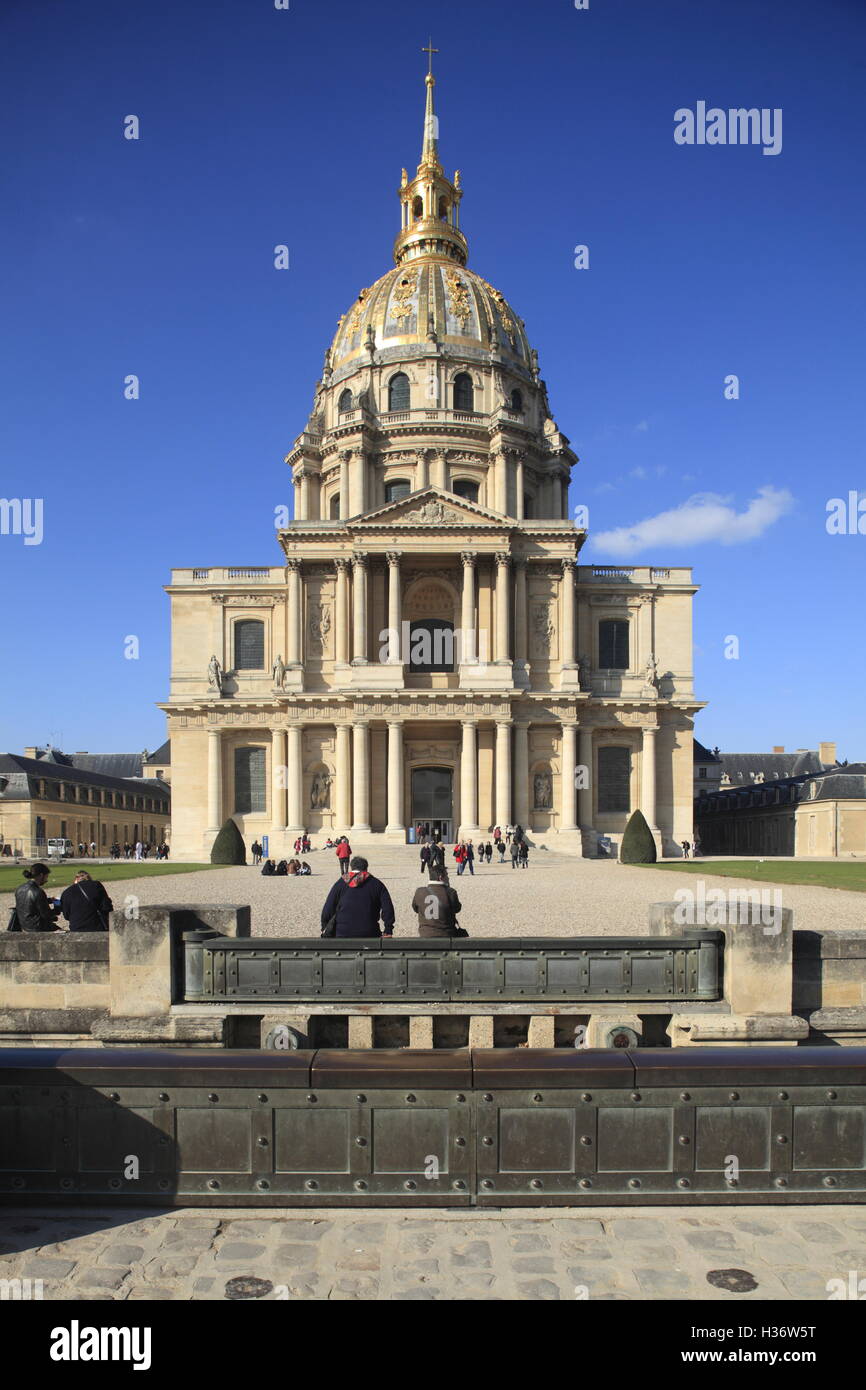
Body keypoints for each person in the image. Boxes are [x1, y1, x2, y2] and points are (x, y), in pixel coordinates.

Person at [320, 856, 395, 939]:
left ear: (351, 867)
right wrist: (388, 929)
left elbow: (328, 908)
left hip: (343, 932)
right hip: (370, 932)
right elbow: (388, 908)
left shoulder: (340, 884)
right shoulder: (376, 884)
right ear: (366, 868)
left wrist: (324, 927)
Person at [411, 865, 464, 938]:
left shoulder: (419, 892)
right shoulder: (450, 892)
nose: (448, 878)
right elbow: (457, 909)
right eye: (447, 875)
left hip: (425, 933)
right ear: (440, 877)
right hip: (446, 934)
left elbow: (415, 909)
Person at [13, 865, 61, 932]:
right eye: (46, 877)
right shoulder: (38, 891)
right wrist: (58, 908)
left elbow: (30, 903)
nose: (46, 880)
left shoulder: (19, 888)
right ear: (41, 875)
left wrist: (49, 900)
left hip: (24, 924)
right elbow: (46, 914)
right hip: (37, 927)